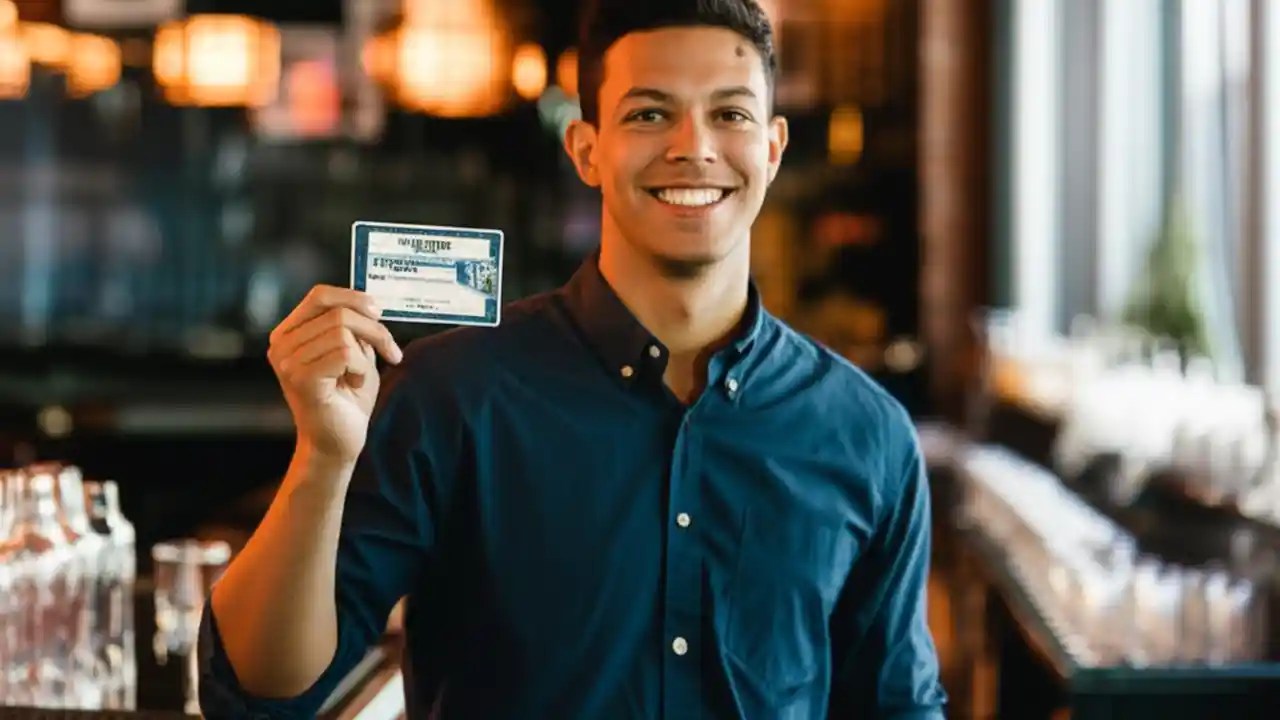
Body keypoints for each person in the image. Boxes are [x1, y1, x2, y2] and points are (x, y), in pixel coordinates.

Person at [198, 0, 946, 717]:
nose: (694, 145)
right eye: (649, 113)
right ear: (587, 149)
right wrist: (322, 460)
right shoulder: (453, 396)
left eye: (730, 113)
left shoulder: (868, 434)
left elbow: (896, 708)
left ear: (772, 147)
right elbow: (264, 693)